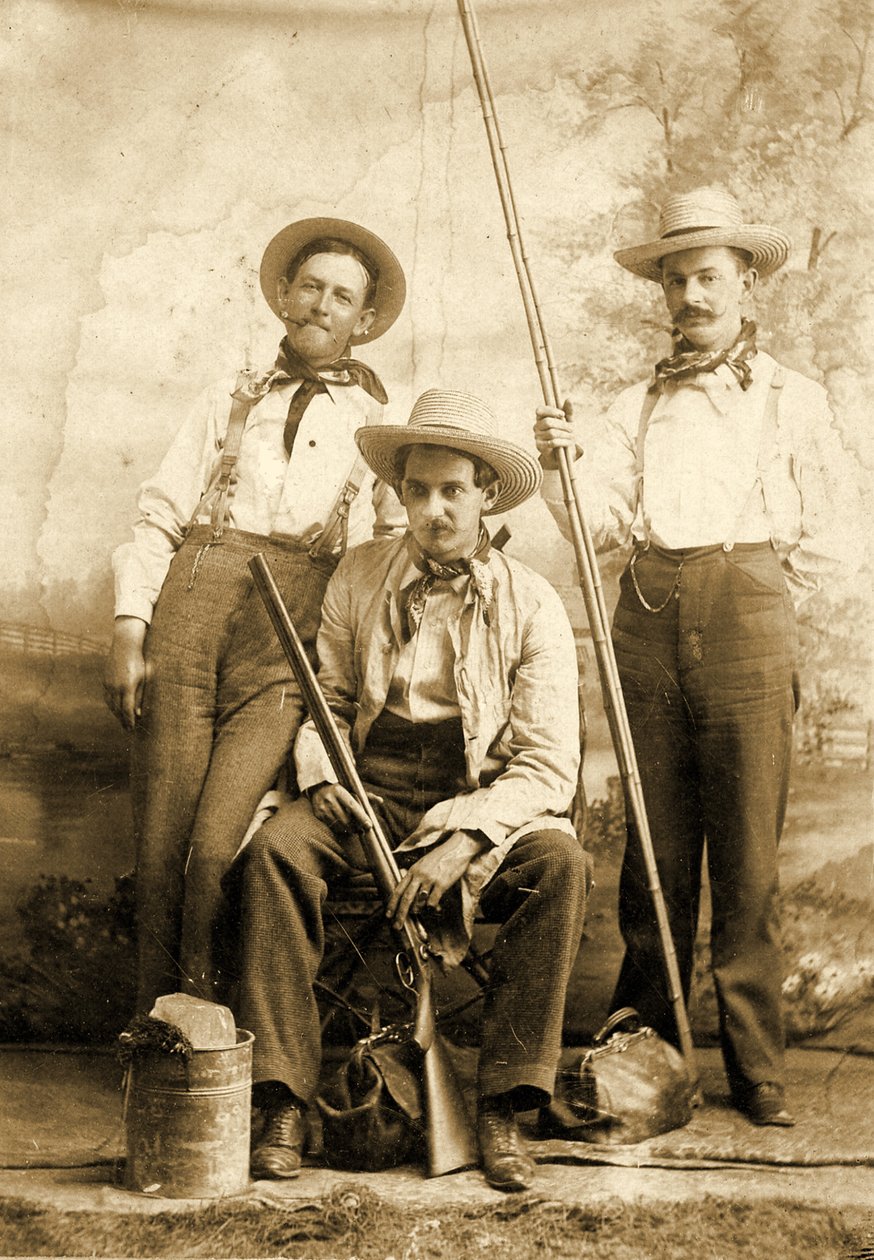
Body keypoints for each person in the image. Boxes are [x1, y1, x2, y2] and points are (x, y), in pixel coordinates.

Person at [534, 187, 860, 1127]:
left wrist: (761, 584)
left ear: (747, 283)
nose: (691, 296)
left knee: (749, 857)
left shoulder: (795, 399)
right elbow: (598, 531)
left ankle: (758, 1069)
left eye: (708, 277)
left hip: (749, 609)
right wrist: (563, 463)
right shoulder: (629, 406)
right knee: (655, 854)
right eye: (676, 280)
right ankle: (643, 1056)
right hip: (646, 611)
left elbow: (841, 524)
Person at [232, 389, 588, 1191]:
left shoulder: (533, 603)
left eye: (452, 490)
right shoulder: (357, 577)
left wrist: (465, 840)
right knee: (274, 857)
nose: (432, 510)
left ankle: (500, 1108)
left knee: (560, 864)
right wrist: (325, 778)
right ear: (399, 491)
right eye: (417, 490)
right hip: (367, 790)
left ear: (487, 493)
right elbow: (329, 703)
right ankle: (284, 1098)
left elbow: (545, 765)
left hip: (477, 798)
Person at [103, 218, 407, 1012]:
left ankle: (203, 1029)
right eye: (309, 286)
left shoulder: (381, 424)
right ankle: (152, 1039)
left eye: (343, 297)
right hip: (190, 611)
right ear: (282, 295)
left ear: (364, 321)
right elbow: (159, 513)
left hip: (288, 644)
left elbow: (390, 552)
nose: (321, 306)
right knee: (162, 843)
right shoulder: (228, 396)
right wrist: (129, 628)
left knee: (214, 849)